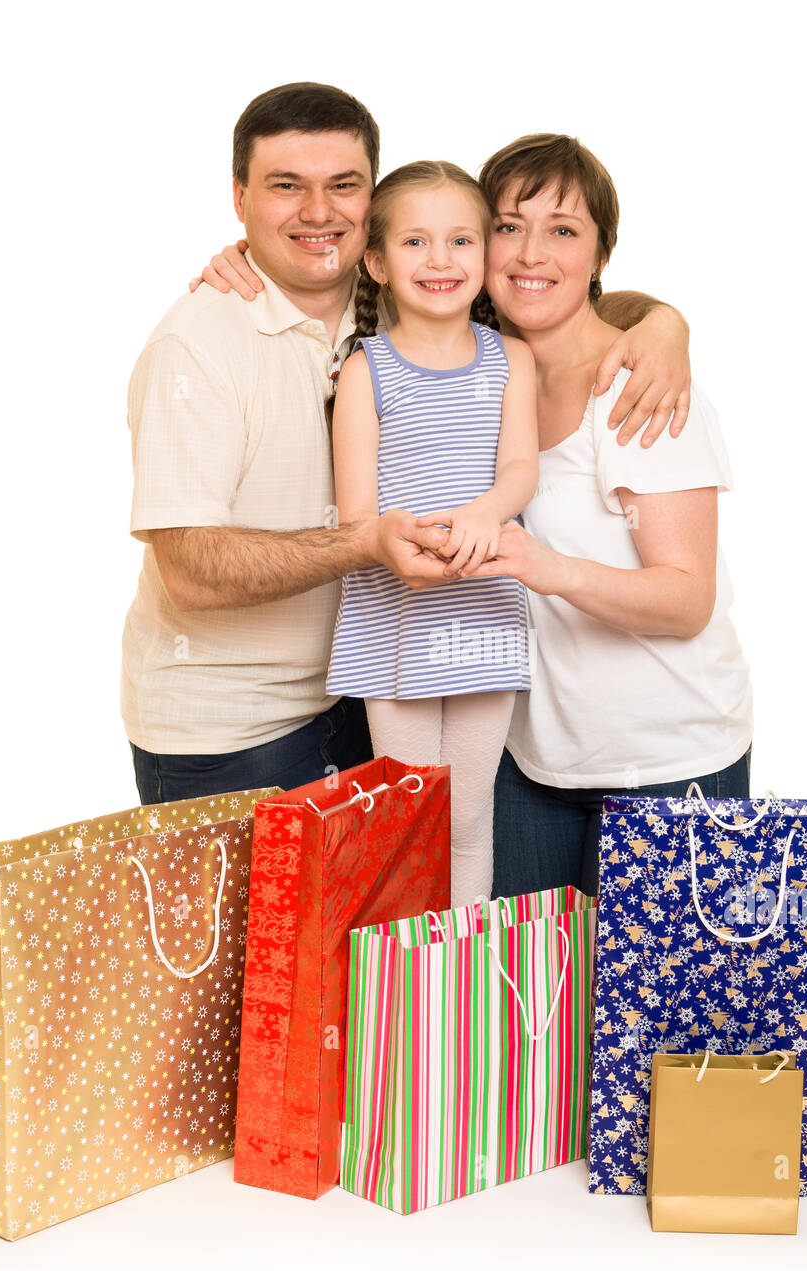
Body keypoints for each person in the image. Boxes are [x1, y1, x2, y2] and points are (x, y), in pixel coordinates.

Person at [143, 82, 692, 808]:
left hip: (373, 679)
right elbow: (188, 572)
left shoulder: (397, 299)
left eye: (341, 186)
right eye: (285, 186)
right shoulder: (200, 342)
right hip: (239, 730)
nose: (316, 211)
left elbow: (554, 297)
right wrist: (371, 542)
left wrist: (663, 322)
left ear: (369, 209)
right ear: (239, 199)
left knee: (415, 882)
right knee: (296, 916)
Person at [459, 136, 754, 896]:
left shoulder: (639, 387)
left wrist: (546, 568)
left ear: (598, 255)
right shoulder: (486, 374)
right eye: (507, 225)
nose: (531, 252)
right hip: (530, 762)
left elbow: (685, 600)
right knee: (532, 1014)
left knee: (661, 1020)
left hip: (669, 764)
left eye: (563, 229)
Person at [328, 160, 536, 902]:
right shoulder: (367, 368)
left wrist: (482, 518)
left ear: (486, 255)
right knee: (409, 818)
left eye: (460, 241)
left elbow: (518, 467)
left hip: (484, 610)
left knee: (470, 817)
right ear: (377, 262)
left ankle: (461, 987)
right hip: (396, 617)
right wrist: (408, 541)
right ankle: (405, 1003)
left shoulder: (509, 358)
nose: (441, 260)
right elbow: (357, 515)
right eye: (415, 242)